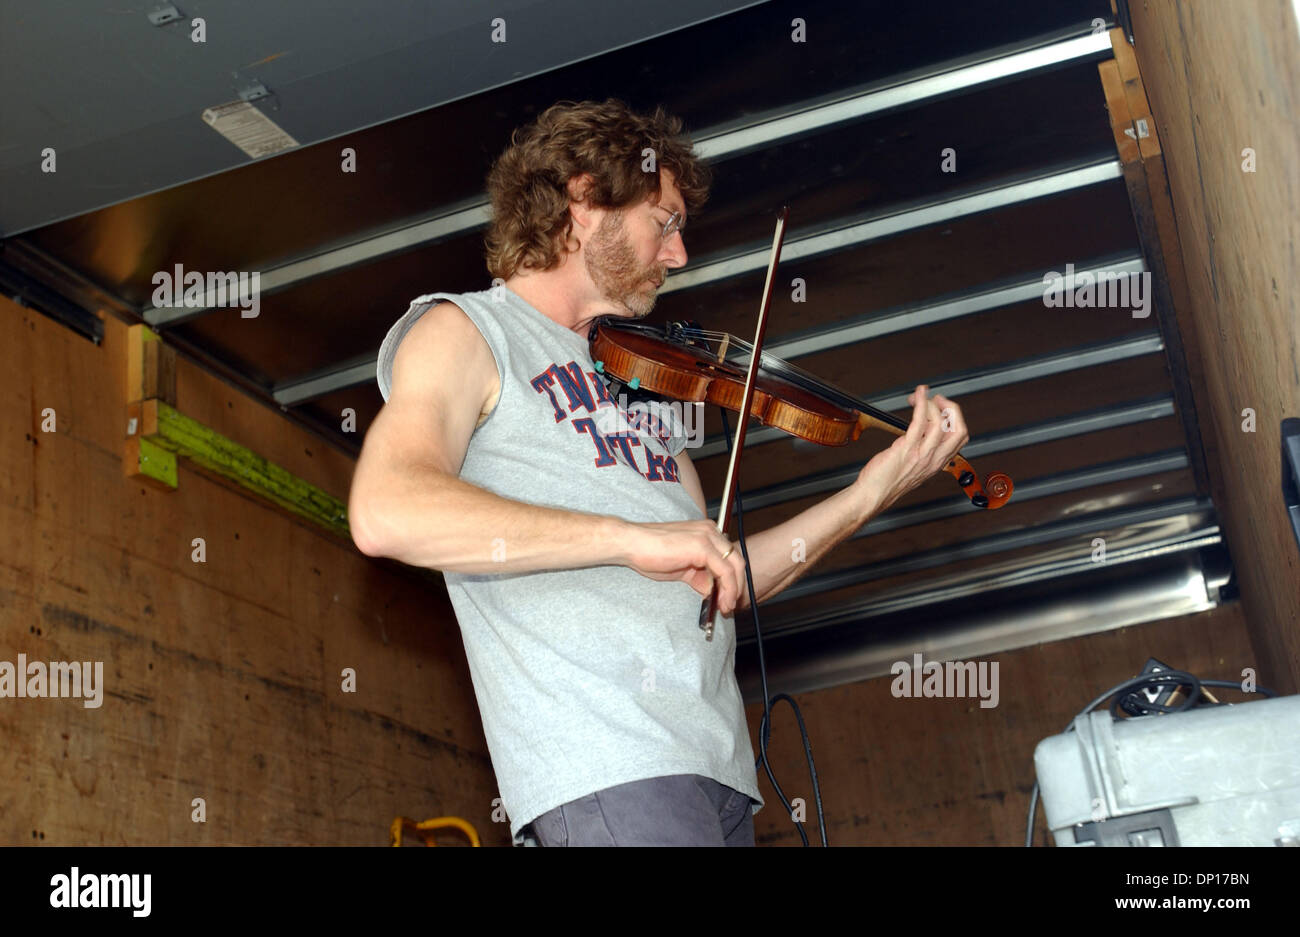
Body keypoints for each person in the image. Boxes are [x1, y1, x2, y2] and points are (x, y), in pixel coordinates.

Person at [348, 98, 971, 846]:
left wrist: (871, 492)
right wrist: (626, 537)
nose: (678, 255)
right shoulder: (468, 331)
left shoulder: (646, 394)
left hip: (717, 775)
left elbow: (721, 575)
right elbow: (386, 510)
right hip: (607, 766)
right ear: (583, 204)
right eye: (664, 222)